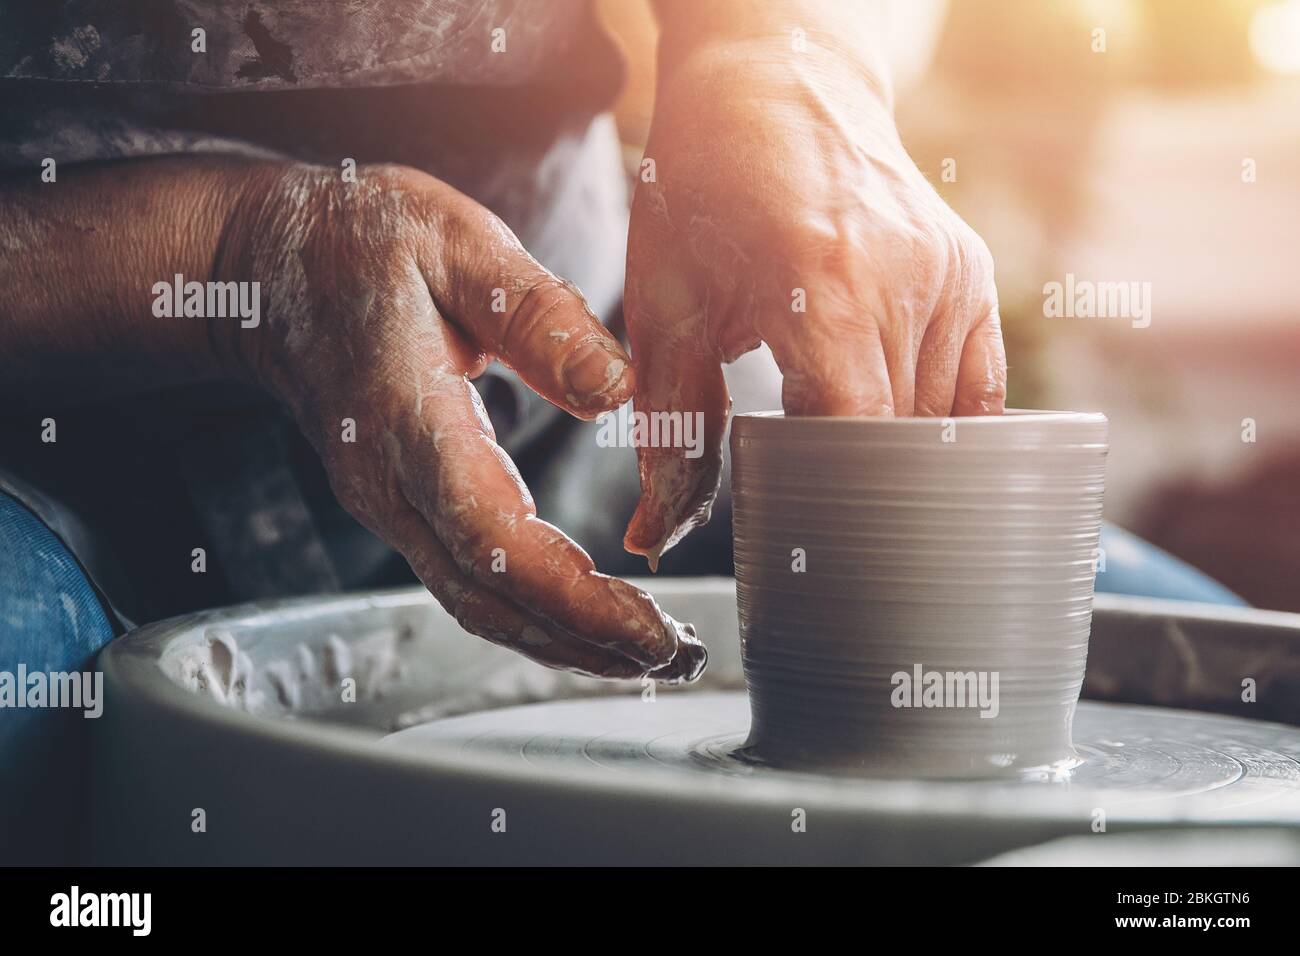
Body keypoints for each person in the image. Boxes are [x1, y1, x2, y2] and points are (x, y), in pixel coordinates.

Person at [0, 0, 1008, 687]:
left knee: (1013, 637)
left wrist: (779, 49)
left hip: (567, 397)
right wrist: (230, 263)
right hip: (55, 440)